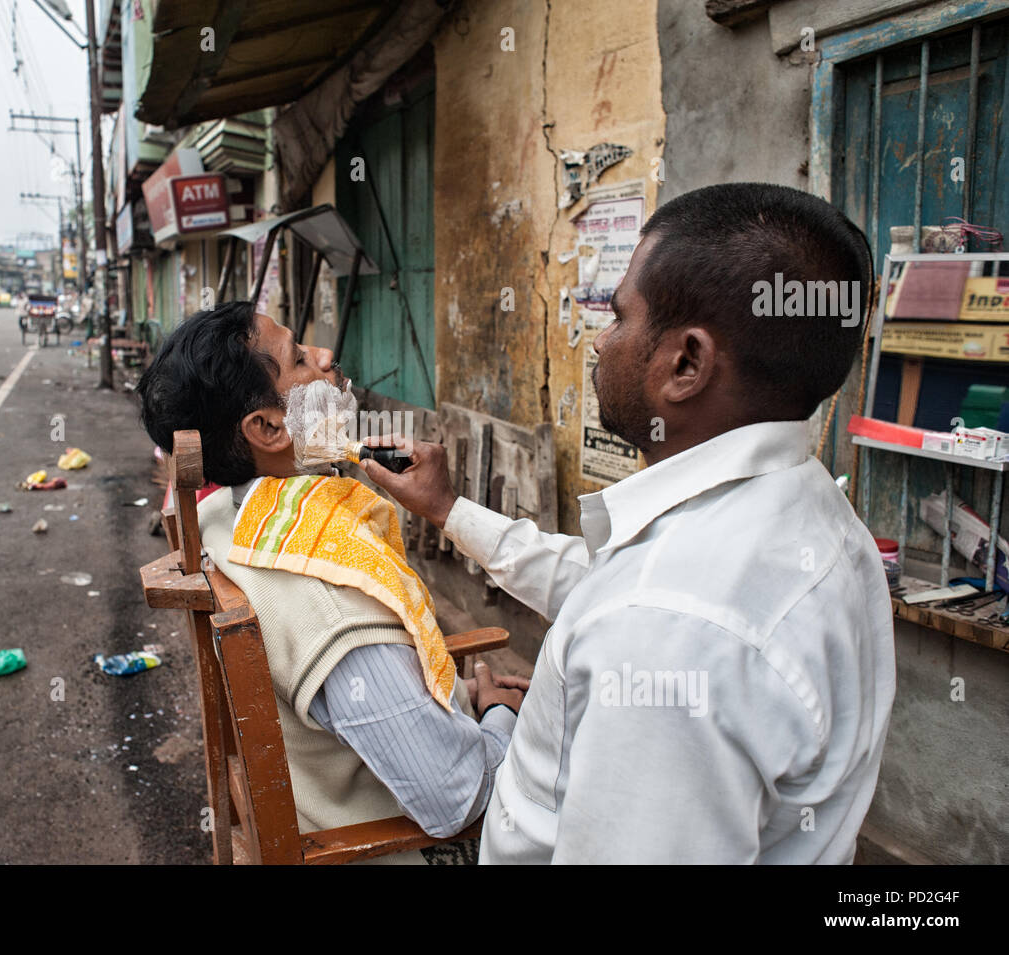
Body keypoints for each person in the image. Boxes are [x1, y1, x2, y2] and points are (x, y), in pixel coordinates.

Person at [361, 182, 896, 864]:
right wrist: (446, 510)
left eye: (618, 317)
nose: (601, 341)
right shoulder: (805, 510)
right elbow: (599, 583)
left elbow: (653, 619)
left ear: (685, 363)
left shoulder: (667, 631)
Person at [138, 301, 528, 863]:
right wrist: (497, 715)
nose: (325, 356)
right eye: (300, 358)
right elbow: (456, 799)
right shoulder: (333, 599)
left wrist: (448, 702)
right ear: (269, 428)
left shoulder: (228, 511)